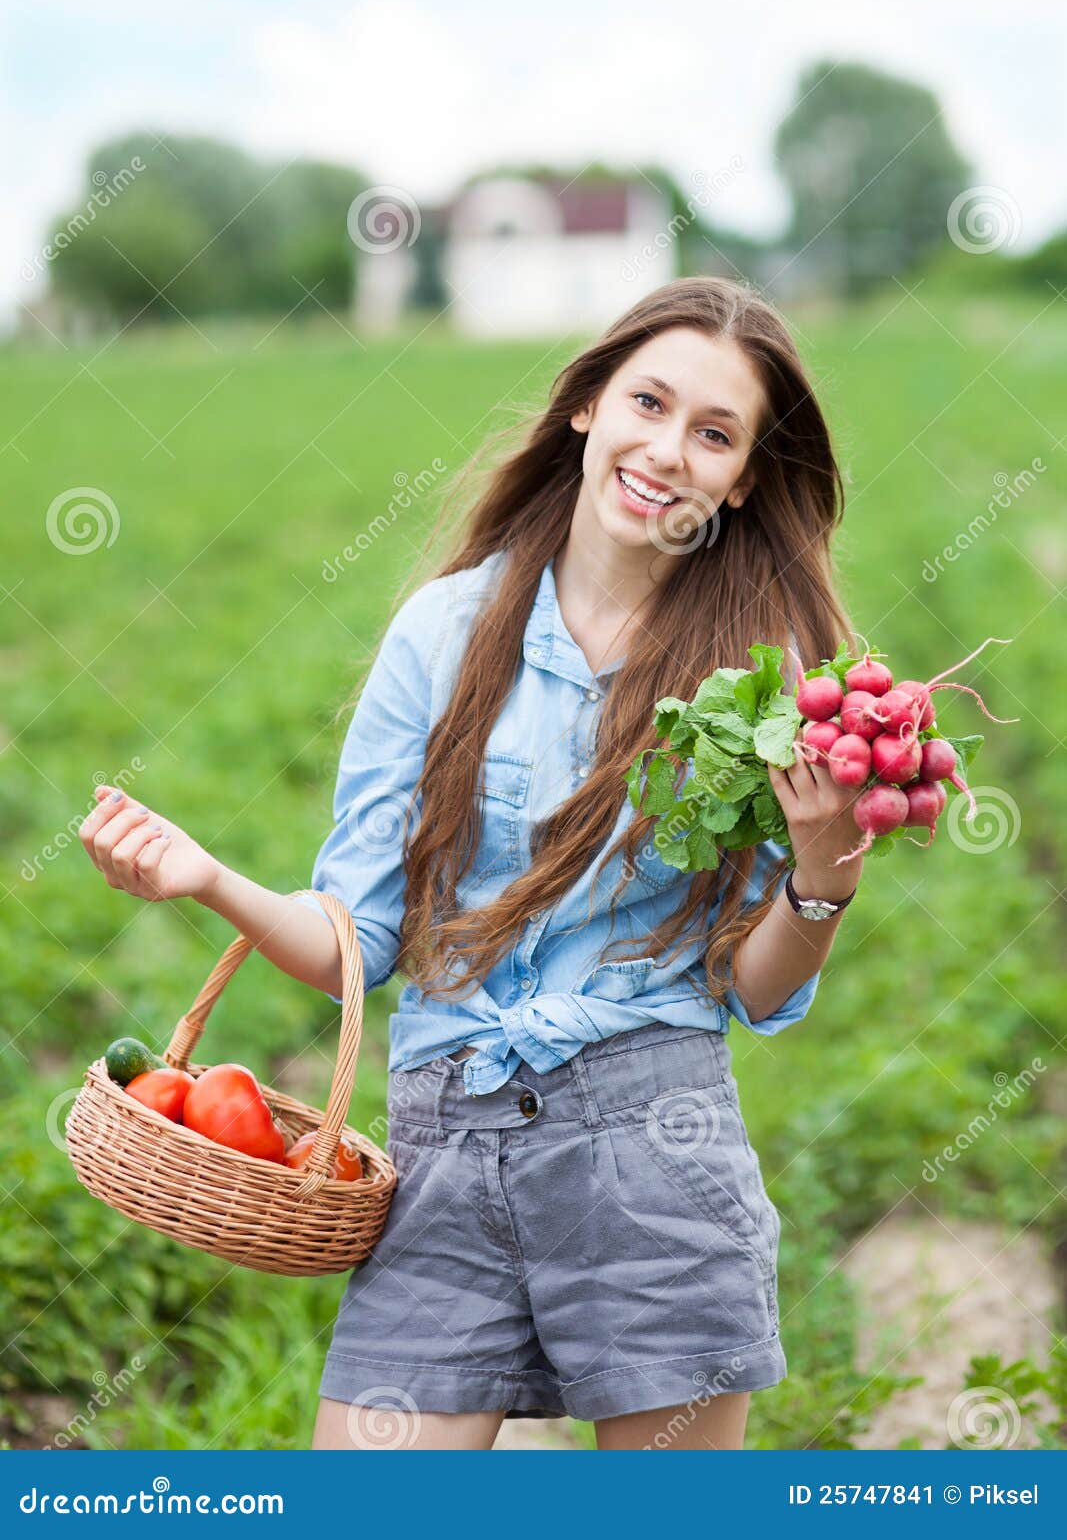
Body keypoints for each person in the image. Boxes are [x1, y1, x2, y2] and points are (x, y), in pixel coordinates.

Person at [79, 275, 865, 1451]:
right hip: (445, 1153)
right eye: (646, 403)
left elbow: (754, 988)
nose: (667, 450)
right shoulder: (444, 633)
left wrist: (821, 870)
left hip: (652, 1148)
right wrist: (208, 878)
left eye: (713, 434)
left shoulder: (758, 689)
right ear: (586, 408)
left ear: (742, 477)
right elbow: (361, 939)